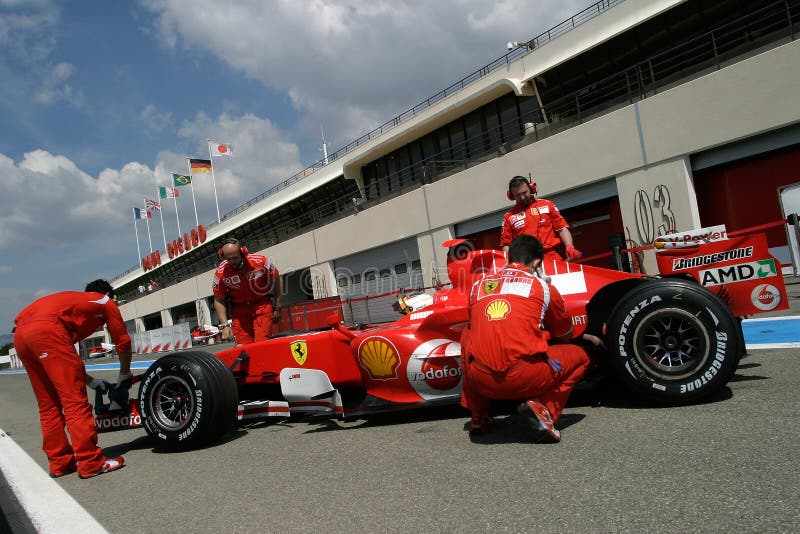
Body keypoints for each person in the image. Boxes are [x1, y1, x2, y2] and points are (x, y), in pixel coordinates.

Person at [460, 235, 589, 442]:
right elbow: (565, 334)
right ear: (537, 263)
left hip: (481, 380)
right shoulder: (543, 287)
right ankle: (546, 413)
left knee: (468, 334)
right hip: (523, 376)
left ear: (508, 257)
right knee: (581, 357)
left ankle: (478, 416)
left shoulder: (477, 286)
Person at [13, 279, 132, 478]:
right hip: (46, 329)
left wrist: (91, 381)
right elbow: (122, 341)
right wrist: (125, 373)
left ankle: (60, 463)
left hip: (21, 335)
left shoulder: (74, 304)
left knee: (49, 406)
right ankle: (90, 462)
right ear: (108, 295)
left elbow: (61, 362)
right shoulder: (104, 301)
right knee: (75, 402)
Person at [213, 237, 282, 344]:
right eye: (228, 259)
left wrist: (277, 308)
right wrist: (225, 325)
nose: (232, 262)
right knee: (244, 348)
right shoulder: (221, 273)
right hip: (239, 313)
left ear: (243, 252)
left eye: (235, 258)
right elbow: (218, 300)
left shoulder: (261, 262)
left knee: (261, 344)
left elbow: (277, 279)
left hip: (262, 307)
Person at [500, 175, 582, 262]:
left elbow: (562, 228)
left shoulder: (547, 205)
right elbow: (506, 244)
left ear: (531, 188)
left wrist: (569, 246)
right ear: (511, 196)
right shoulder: (508, 217)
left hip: (553, 258)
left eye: (524, 193)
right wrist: (509, 262)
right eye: (518, 195)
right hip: (527, 262)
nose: (522, 197)